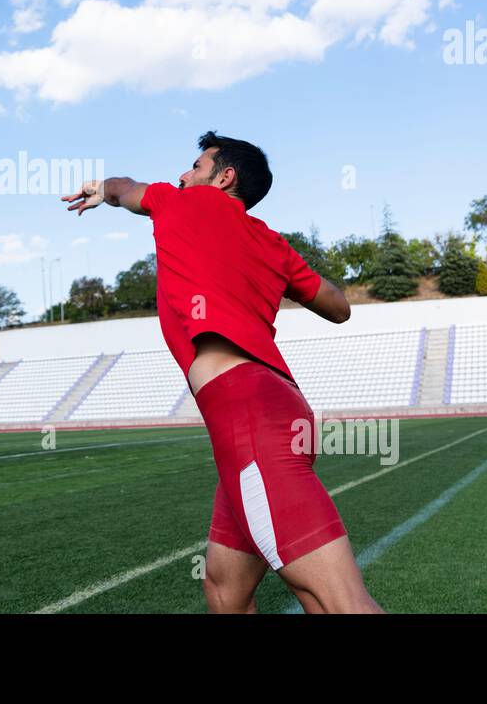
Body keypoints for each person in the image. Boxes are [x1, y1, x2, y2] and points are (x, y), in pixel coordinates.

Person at [61, 131, 383, 614]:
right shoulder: (273, 243)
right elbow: (338, 307)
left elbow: (122, 187)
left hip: (249, 418)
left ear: (224, 176)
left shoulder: (176, 202)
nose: (182, 175)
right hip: (277, 410)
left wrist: (99, 188)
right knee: (223, 591)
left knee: (343, 604)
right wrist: (283, 270)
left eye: (194, 166)